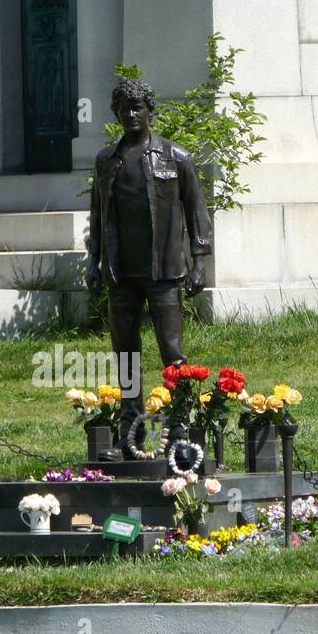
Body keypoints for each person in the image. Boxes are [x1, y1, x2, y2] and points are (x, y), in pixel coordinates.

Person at [87, 77, 213, 457]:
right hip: (121, 273)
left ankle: (179, 428)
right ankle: (130, 431)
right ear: (116, 114)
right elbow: (98, 216)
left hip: (165, 272)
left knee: (172, 352)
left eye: (138, 107)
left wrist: (200, 260)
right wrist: (93, 262)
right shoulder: (107, 161)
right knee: (126, 354)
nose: (131, 114)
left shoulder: (177, 157)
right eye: (124, 108)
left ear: (150, 110)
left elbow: (197, 212)